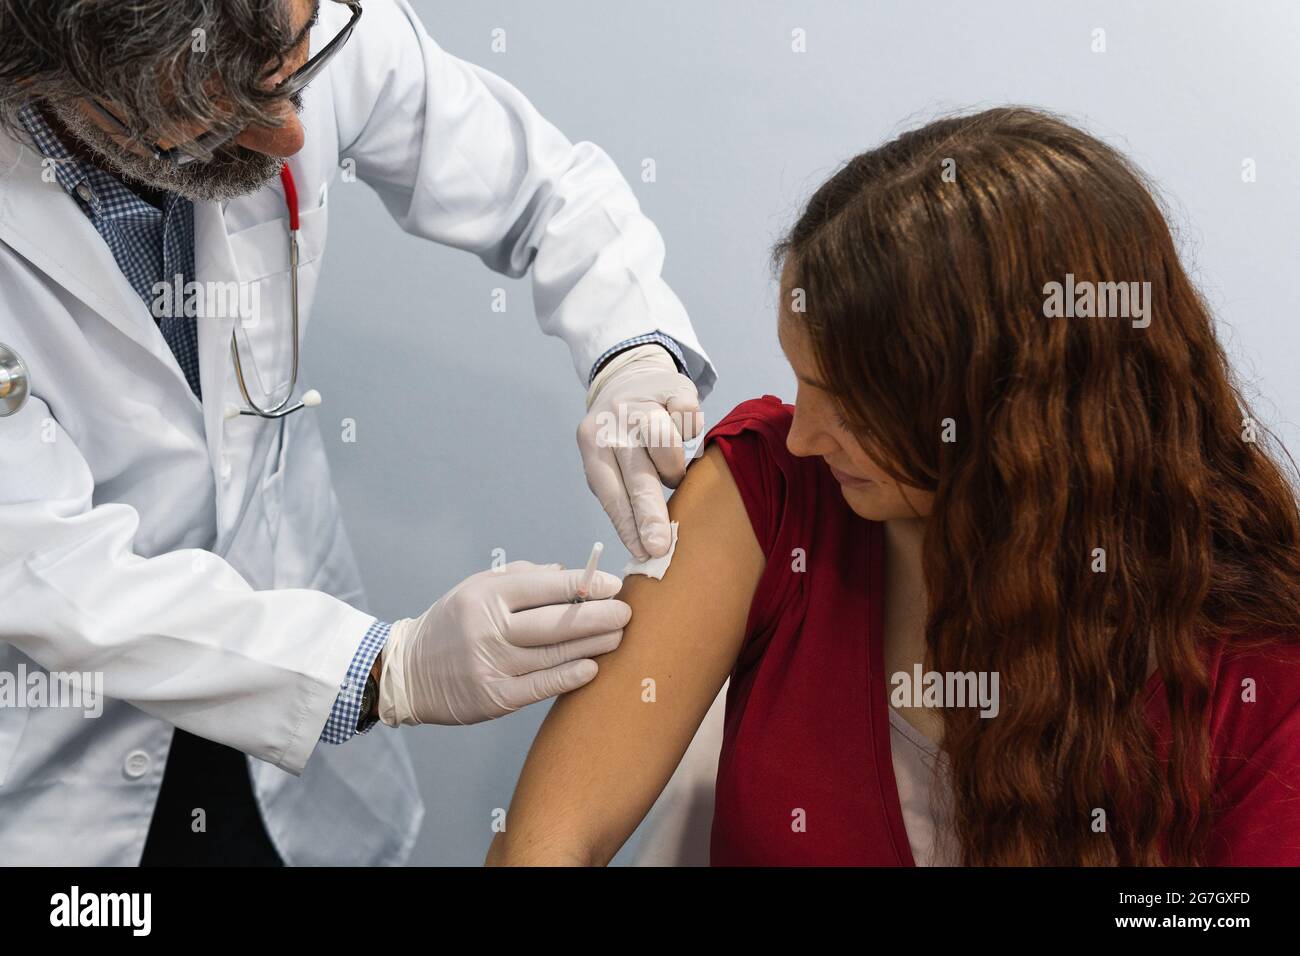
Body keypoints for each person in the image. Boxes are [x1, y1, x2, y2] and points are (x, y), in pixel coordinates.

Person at [488, 107, 1300, 867]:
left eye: (852, 403)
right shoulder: (774, 491)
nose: (805, 432)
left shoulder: (1250, 671)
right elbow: (545, 849)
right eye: (805, 380)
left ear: (1011, 414)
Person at [0, 0, 713, 865]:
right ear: (49, 78)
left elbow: (543, 185)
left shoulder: (283, 20)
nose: (295, 132)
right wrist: (388, 668)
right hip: (53, 748)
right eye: (226, 103)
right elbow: (57, 578)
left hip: (277, 693)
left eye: (300, 71)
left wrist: (633, 354)